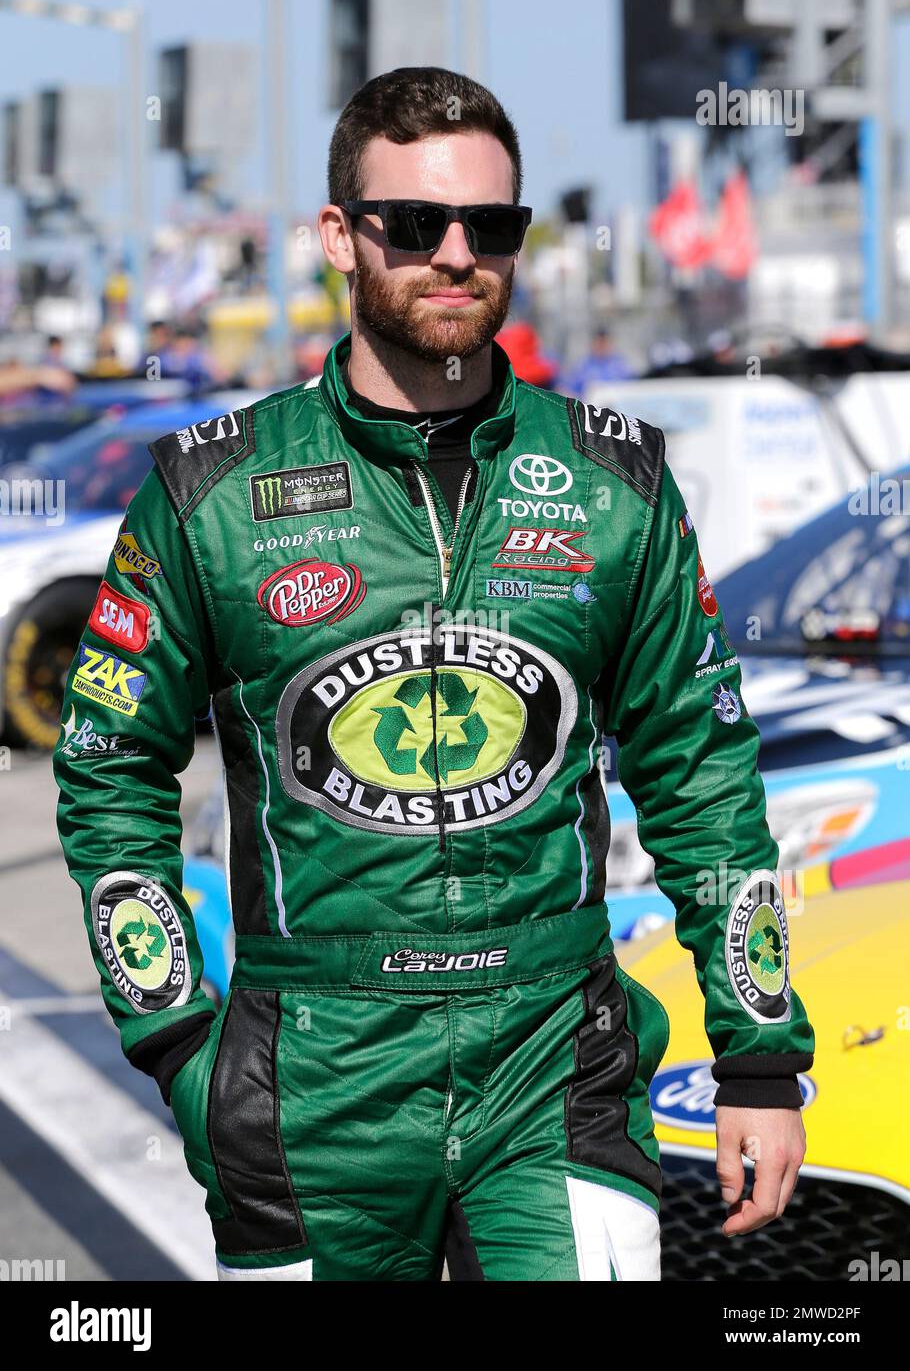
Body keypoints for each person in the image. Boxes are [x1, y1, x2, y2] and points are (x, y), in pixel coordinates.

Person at [54, 66, 813, 1283]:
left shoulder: (614, 481)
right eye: (414, 224)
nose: (456, 255)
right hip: (312, 1083)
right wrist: (178, 1041)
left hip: (552, 1064)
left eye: (490, 227)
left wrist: (760, 1057)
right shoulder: (210, 493)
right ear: (340, 238)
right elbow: (108, 770)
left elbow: (702, 770)